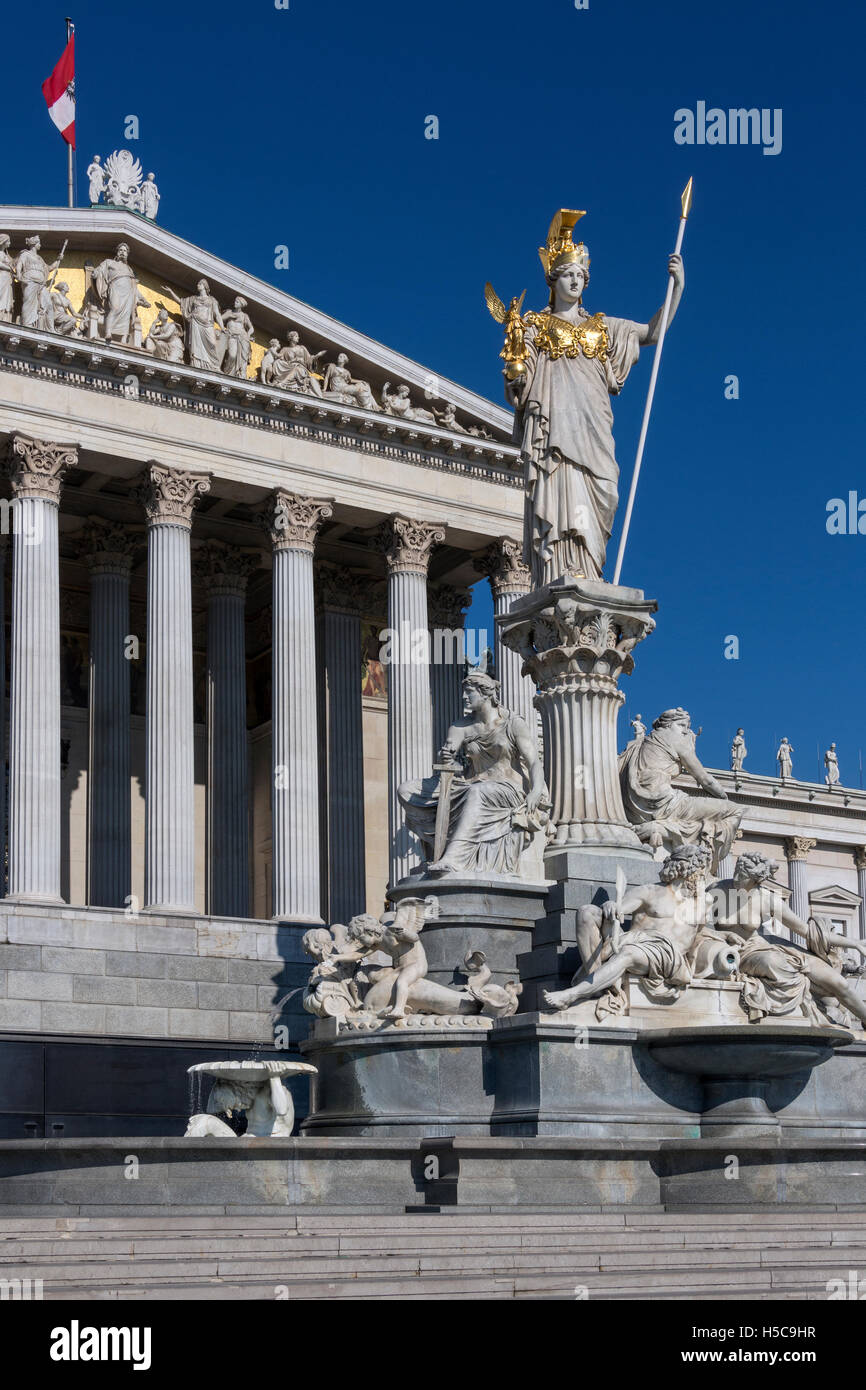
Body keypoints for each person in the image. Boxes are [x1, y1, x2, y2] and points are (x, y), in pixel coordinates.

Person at [505, 209, 684, 584]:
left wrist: (677, 287)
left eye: (580, 275)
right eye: (568, 274)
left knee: (605, 489)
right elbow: (520, 383)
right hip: (555, 431)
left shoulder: (603, 328)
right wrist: (517, 377)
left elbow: (652, 333)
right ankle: (562, 569)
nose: (575, 280)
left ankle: (590, 569)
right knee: (561, 488)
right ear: (552, 280)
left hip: (593, 426)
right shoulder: (535, 327)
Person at [398, 667, 549, 877]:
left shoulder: (513, 723)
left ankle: (454, 857)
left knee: (478, 793)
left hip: (508, 788)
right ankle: (439, 843)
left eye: (469, 692)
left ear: (486, 694)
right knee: (406, 790)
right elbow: (449, 754)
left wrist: (536, 791)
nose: (463, 697)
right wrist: (446, 757)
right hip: (471, 783)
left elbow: (534, 762)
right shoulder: (460, 727)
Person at [543, 842, 712, 1012]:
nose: (703, 875)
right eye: (700, 870)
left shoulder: (704, 901)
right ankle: (598, 987)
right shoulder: (650, 891)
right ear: (684, 868)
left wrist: (727, 937)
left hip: (668, 956)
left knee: (629, 952)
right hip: (638, 942)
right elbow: (619, 910)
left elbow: (701, 934)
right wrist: (610, 906)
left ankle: (572, 994)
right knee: (587, 912)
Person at [712, 851, 866, 1026]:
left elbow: (807, 931)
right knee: (773, 962)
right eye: (737, 874)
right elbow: (698, 928)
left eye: (744, 877)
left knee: (839, 983)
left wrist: (854, 943)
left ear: (758, 879)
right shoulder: (719, 890)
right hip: (741, 952)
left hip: (766, 944)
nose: (738, 880)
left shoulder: (767, 899)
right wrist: (723, 934)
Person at [619, 707, 741, 869]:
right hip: (664, 803)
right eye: (682, 725)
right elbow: (705, 779)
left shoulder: (639, 743)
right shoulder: (676, 740)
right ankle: (664, 829)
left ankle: (665, 829)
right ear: (669, 724)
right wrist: (724, 799)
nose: (686, 731)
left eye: (688, 727)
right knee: (733, 811)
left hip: (636, 809)